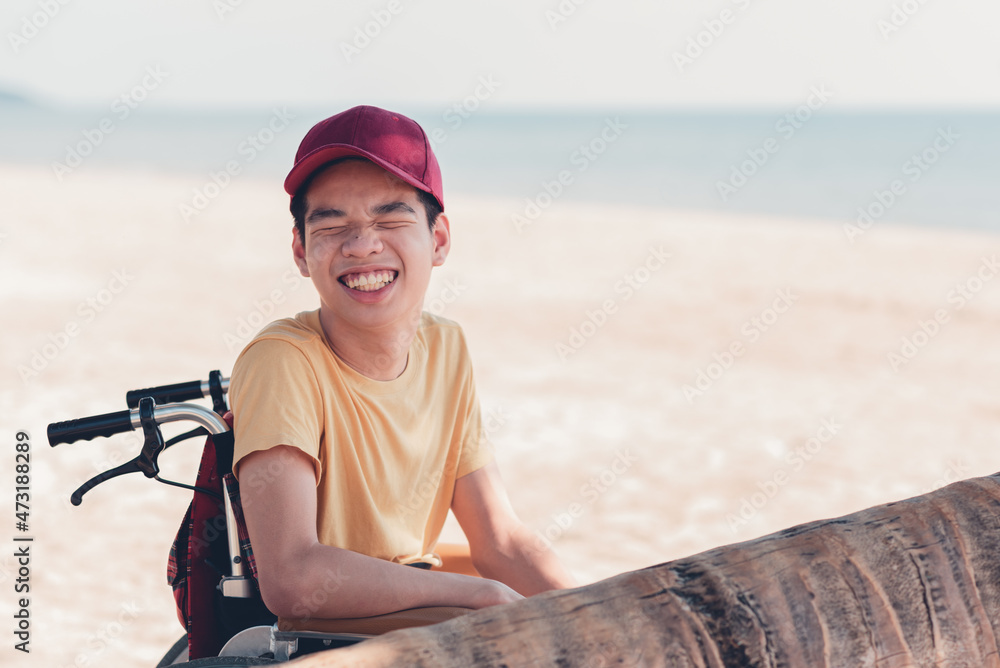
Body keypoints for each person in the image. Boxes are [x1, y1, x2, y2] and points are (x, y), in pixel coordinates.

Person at [230, 105, 576, 623]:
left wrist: (601, 607)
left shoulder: (444, 345)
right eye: (331, 224)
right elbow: (293, 578)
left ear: (438, 240)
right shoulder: (284, 360)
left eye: (389, 218)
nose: (362, 244)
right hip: (331, 630)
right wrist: (480, 596)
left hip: (409, 594)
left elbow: (499, 540)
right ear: (301, 251)